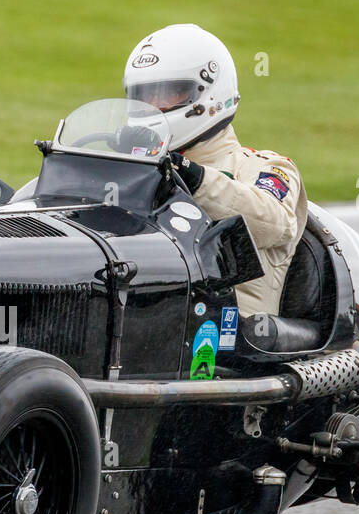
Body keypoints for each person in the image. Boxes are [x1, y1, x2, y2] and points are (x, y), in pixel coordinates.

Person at [122, 24, 308, 316]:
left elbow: (274, 223)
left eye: (168, 93)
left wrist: (195, 178)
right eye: (144, 96)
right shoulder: (132, 168)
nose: (153, 105)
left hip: (228, 340)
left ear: (209, 94)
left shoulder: (263, 166)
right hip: (144, 316)